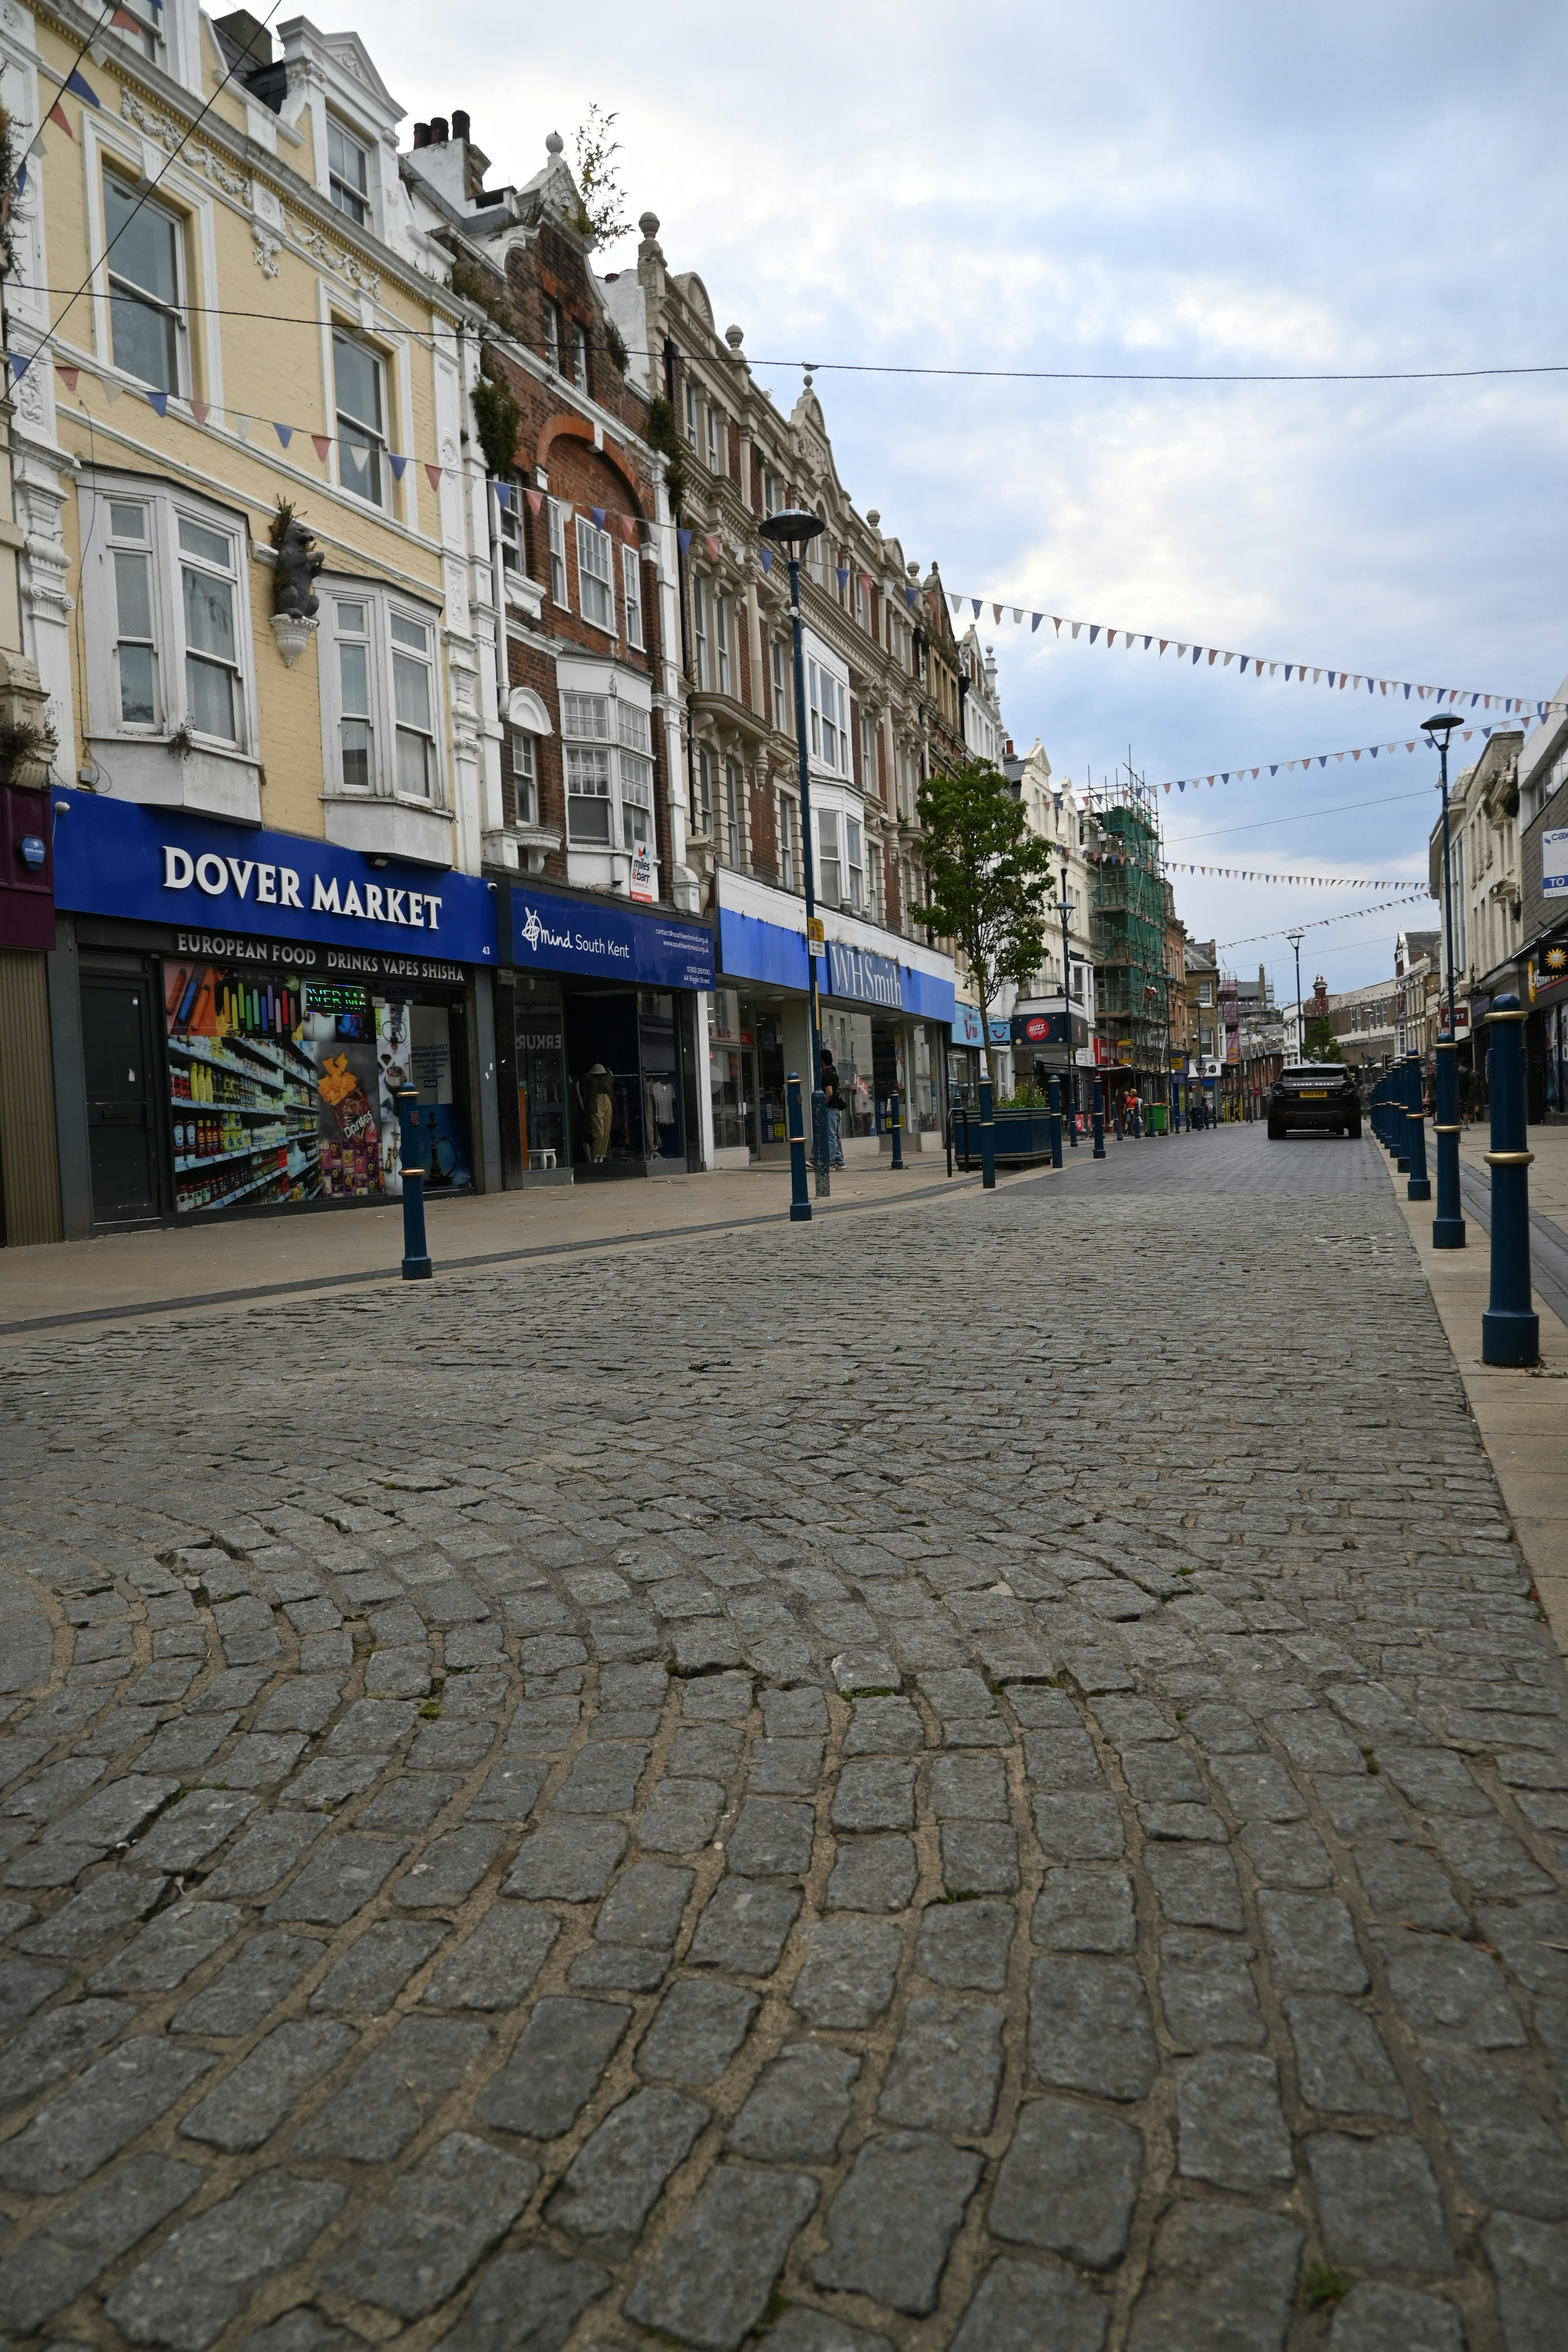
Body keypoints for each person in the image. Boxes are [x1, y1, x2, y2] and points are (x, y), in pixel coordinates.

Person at [820, 1049, 846, 1168]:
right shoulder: (834, 1073)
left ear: (822, 1061)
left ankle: (831, 1163)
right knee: (834, 1136)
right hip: (836, 1109)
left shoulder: (826, 1074)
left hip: (830, 1108)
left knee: (831, 1137)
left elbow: (829, 1092)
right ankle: (840, 1161)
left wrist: (822, 1105)